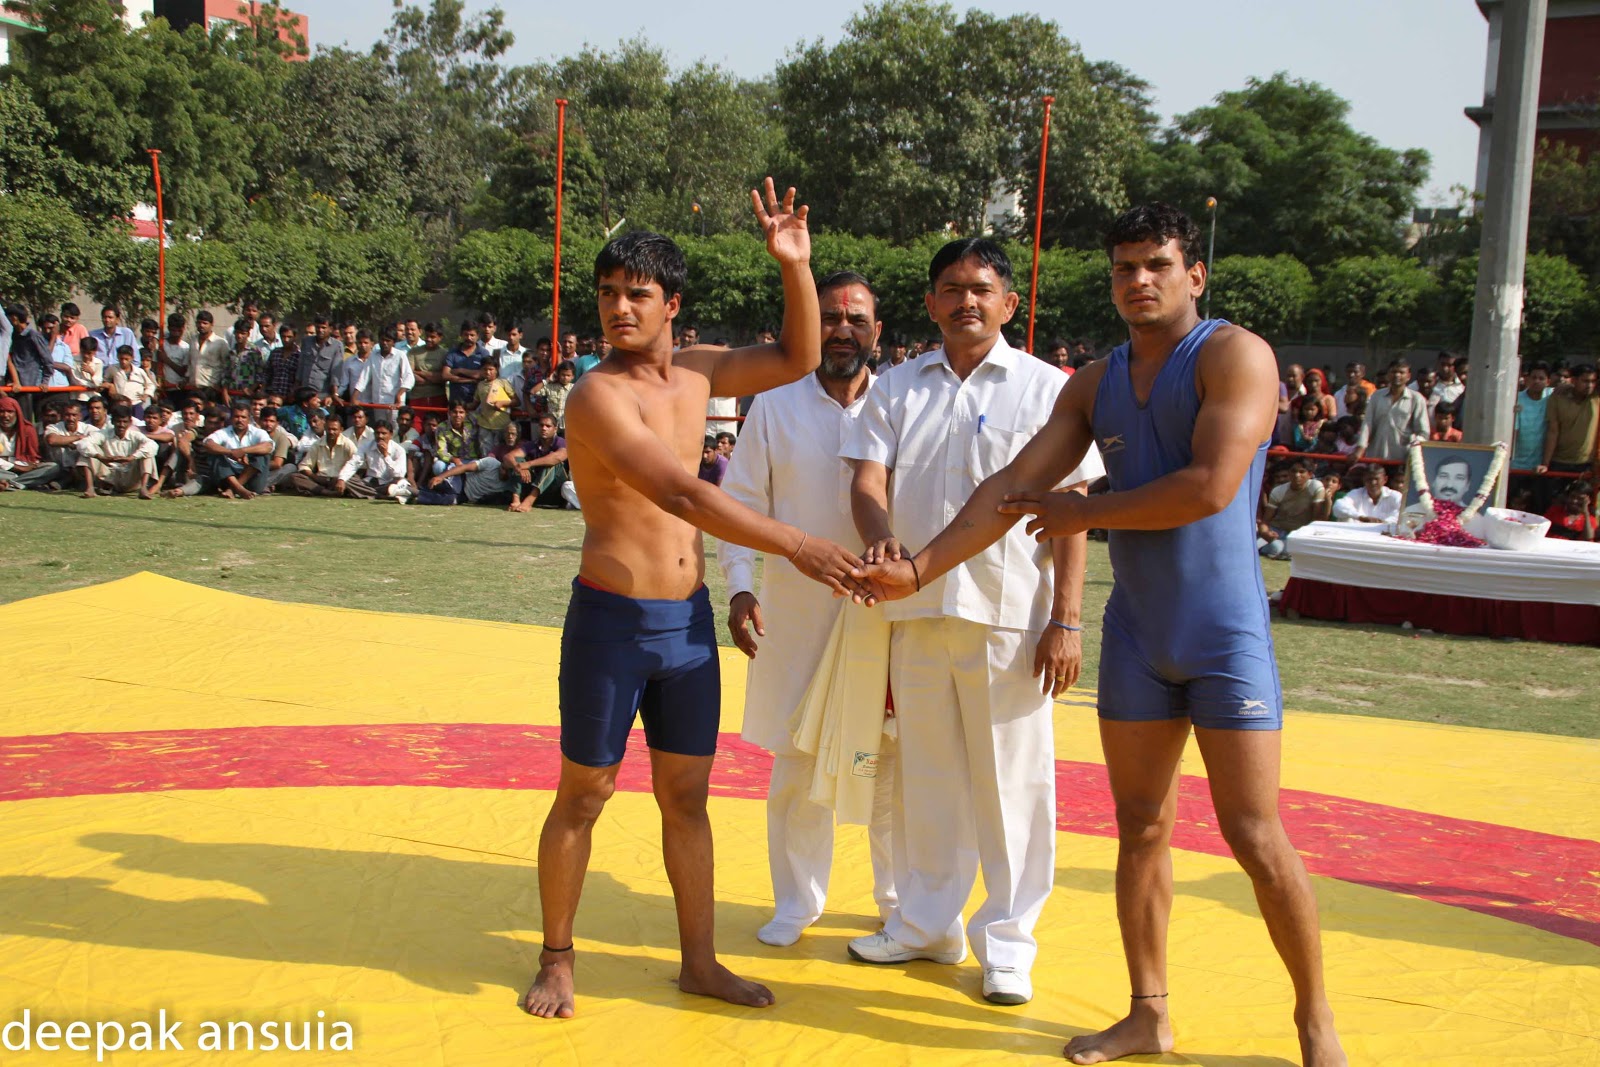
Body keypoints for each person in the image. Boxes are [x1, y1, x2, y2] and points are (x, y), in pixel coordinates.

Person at [860, 203, 1345, 1066]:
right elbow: (1013, 486)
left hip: (1223, 633)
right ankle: (1148, 1013)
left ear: (1195, 274)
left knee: (1253, 832)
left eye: (1157, 264)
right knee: (1141, 826)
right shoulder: (1093, 383)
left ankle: (1315, 1021)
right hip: (1139, 636)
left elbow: (1207, 486)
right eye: (1124, 267)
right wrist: (921, 568)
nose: (1139, 280)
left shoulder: (1236, 355)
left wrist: (1084, 511)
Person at [522, 182, 875, 1023]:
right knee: (585, 793)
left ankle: (699, 961)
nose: (618, 308)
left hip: (683, 624)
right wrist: (798, 545)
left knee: (686, 799)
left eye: (636, 294)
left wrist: (795, 265)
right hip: (611, 622)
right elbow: (682, 492)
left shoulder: (699, 370)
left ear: (671, 305)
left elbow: (796, 355)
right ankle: (557, 956)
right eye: (607, 293)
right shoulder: (596, 395)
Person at [839, 238, 1103, 1008]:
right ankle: (927, 923)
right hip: (915, 608)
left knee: (1013, 786)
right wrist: (879, 535)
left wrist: (1068, 619)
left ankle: (1008, 945)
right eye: (951, 288)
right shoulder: (896, 386)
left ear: (1009, 302)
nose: (966, 301)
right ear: (930, 302)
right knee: (927, 780)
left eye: (982, 288)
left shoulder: (1047, 389)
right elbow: (867, 480)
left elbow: (1074, 509)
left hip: (1010, 616)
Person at [717, 269, 898, 947]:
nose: (842, 330)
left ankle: (900, 904)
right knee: (796, 762)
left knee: (892, 761)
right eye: (829, 318)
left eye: (856, 319)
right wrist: (740, 585)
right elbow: (739, 503)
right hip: (795, 614)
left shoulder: (903, 401)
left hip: (886, 613)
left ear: (878, 330)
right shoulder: (774, 405)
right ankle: (797, 902)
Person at [1351, 359, 1431, 464]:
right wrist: (1360, 448)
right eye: (1394, 372)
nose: (1397, 375)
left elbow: (1423, 433)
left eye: (1401, 372)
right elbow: (1367, 424)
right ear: (1388, 375)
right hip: (1376, 457)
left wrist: (1413, 449)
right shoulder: (1377, 396)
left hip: (1402, 460)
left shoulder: (1417, 399)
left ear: (1408, 376)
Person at [75, 404, 157, 498]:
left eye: (124, 422)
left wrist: (131, 457)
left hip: (131, 478)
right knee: (87, 452)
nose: (121, 425)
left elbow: (153, 445)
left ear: (130, 422)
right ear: (112, 421)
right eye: (118, 421)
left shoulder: (135, 435)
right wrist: (100, 457)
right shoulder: (103, 433)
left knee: (148, 452)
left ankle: (143, 488)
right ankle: (90, 488)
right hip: (108, 476)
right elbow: (82, 444)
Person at [198, 401, 274, 499]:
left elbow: (268, 446)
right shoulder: (224, 432)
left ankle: (232, 490)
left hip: (252, 480)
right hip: (228, 478)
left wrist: (243, 451)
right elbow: (207, 443)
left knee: (263, 455)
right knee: (214, 454)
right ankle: (238, 488)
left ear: (249, 419)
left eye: (243, 417)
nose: (240, 420)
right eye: (236, 417)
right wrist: (230, 453)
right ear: (231, 418)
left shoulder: (258, 432)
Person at [1538, 364, 1598, 481]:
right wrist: (1545, 464)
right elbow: (1553, 431)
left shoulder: (1596, 397)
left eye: (1593, 381)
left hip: (1587, 464)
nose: (1590, 385)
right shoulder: (1557, 398)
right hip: (1559, 462)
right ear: (1574, 380)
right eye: (1585, 381)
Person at [282, 412, 356, 496]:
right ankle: (326, 492)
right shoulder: (317, 444)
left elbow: (356, 465)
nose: (331, 432)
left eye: (334, 429)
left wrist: (342, 479)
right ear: (325, 428)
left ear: (341, 430)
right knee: (295, 477)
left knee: (354, 481)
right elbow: (304, 465)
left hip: (340, 480)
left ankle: (325, 491)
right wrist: (315, 477)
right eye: (329, 429)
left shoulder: (347, 444)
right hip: (321, 480)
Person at [337, 420, 414, 501]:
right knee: (347, 479)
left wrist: (386, 455)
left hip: (389, 483)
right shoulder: (366, 446)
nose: (380, 436)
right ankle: (384, 495)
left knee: (400, 482)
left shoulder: (399, 450)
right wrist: (341, 479)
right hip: (369, 483)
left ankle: (376, 494)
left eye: (384, 433)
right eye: (377, 433)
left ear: (391, 434)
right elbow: (353, 463)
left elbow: (399, 474)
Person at [507, 414, 569, 511]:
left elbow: (557, 457)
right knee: (517, 460)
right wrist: (518, 467)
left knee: (553, 463)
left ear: (555, 429)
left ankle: (529, 501)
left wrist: (528, 464)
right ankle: (516, 500)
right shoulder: (532, 444)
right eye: (541, 425)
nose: (544, 428)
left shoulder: (561, 442)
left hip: (556, 491)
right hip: (537, 490)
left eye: (548, 426)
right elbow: (508, 457)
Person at [0, 395, 60, 491]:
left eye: (10, 412)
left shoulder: (28, 429)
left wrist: (28, 467)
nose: (5, 415)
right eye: (2, 411)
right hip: (5, 469)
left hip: (26, 469)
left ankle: (10, 484)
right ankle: (23, 482)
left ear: (17, 413)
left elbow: (32, 457)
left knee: (53, 467)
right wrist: (15, 466)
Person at [471, 360, 516, 456]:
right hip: (484, 425)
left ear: (496, 369)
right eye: (485, 369)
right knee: (486, 454)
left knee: (501, 453)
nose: (488, 372)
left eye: (490, 369)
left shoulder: (502, 382)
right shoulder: (480, 385)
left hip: (502, 425)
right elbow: (474, 404)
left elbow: (516, 401)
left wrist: (503, 403)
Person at [1333, 464, 1402, 524]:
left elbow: (1401, 514)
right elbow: (1338, 506)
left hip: (1386, 532)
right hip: (1357, 533)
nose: (1373, 483)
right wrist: (1361, 517)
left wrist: (1382, 523)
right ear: (1364, 480)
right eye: (1369, 479)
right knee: (1345, 516)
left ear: (1385, 480)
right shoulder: (1356, 493)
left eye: (1376, 479)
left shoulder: (1395, 496)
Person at [297, 317, 345, 398]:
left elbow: (336, 373)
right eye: (318, 327)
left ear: (330, 329)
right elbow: (301, 366)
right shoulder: (306, 341)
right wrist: (296, 386)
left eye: (323, 327)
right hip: (304, 392)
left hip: (322, 395)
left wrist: (334, 394)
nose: (320, 330)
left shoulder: (337, 346)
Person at [443, 322, 488, 407]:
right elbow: (445, 375)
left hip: (477, 403)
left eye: (472, 335)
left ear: (478, 336)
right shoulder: (453, 352)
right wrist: (470, 380)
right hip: (456, 404)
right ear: (461, 335)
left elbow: (483, 374)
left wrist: (460, 370)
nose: (469, 338)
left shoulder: (483, 353)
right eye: (466, 335)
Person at [407, 322, 449, 409]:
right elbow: (410, 375)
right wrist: (433, 379)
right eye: (427, 336)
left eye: (432, 337)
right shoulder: (413, 352)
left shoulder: (445, 354)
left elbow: (443, 377)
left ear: (440, 337)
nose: (428, 339)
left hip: (438, 397)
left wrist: (419, 372)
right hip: (417, 398)